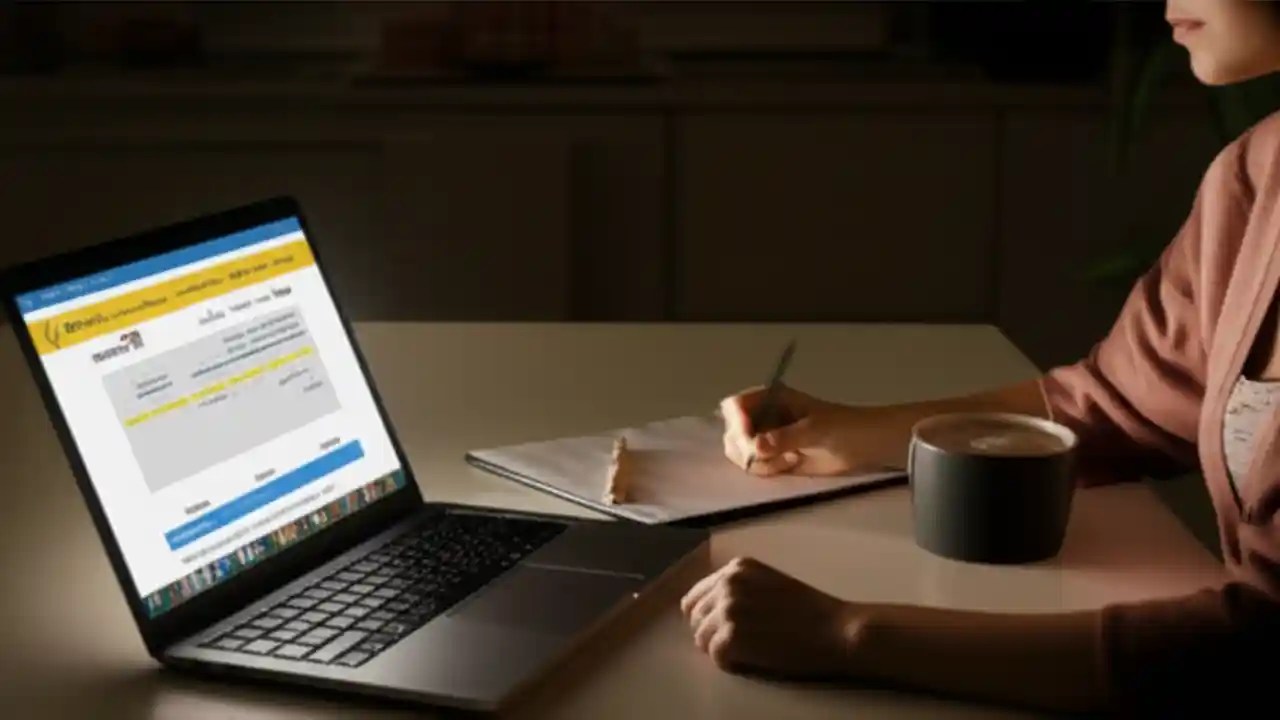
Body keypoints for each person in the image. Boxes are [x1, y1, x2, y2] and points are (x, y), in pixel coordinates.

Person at [681, 1, 1280, 715]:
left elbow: (1257, 648)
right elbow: (1123, 403)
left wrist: (848, 633)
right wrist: (847, 434)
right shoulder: (1258, 173)